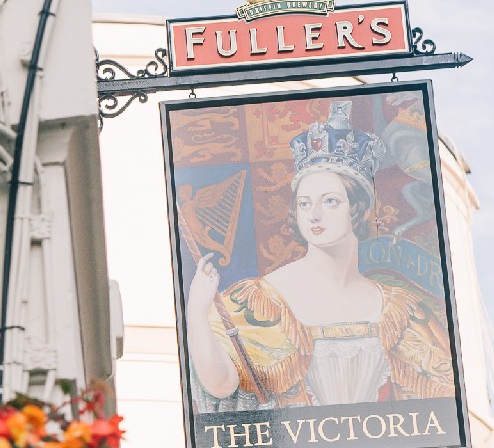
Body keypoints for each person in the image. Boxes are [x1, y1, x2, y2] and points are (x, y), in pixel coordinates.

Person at [184, 102, 453, 408]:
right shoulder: (259, 300)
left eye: (330, 201)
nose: (314, 215)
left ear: (359, 210)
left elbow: (440, 403)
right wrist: (196, 310)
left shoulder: (400, 310)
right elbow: (220, 385)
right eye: (304, 203)